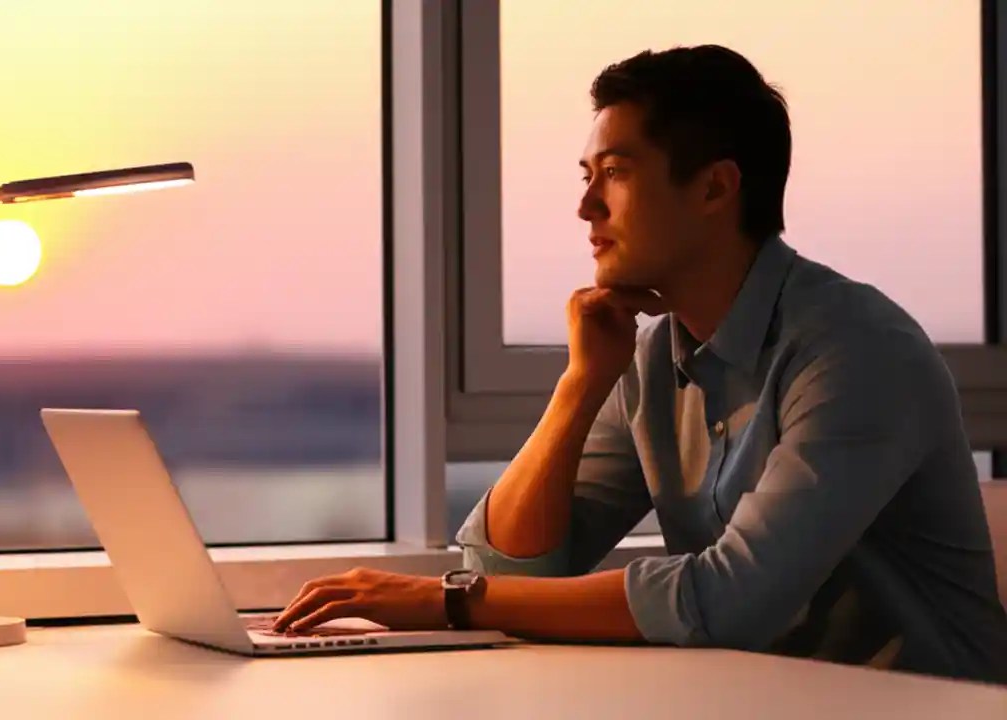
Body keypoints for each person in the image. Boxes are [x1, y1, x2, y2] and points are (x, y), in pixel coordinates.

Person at [273, 44, 1007, 683]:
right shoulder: (653, 353)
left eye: (614, 173)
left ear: (716, 187)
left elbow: (728, 601)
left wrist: (442, 600)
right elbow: (508, 570)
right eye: (585, 175)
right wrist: (580, 385)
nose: (587, 206)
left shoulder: (857, 349)